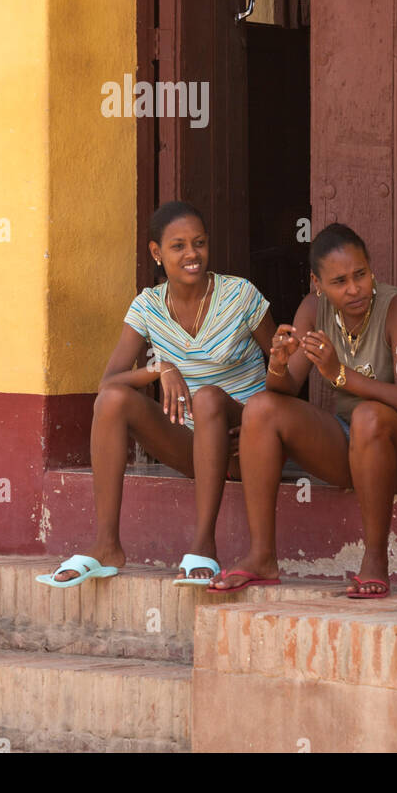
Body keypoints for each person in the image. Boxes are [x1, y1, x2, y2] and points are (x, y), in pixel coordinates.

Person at [37, 201, 277, 588]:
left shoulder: (240, 296)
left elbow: (285, 369)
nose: (192, 254)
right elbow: (109, 381)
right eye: (178, 246)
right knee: (112, 401)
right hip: (195, 447)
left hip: (248, 447)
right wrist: (160, 367)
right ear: (156, 253)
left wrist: (264, 426)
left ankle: (204, 546)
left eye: (199, 243)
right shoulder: (148, 306)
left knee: (209, 397)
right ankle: (107, 546)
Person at [209, 222, 397, 599]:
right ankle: (262, 556)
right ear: (317, 283)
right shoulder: (313, 309)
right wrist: (278, 363)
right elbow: (286, 390)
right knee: (261, 408)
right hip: (348, 443)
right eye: (340, 281)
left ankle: (375, 560)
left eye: (360, 274)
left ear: (371, 268)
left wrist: (339, 374)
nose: (354, 288)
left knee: (368, 416)